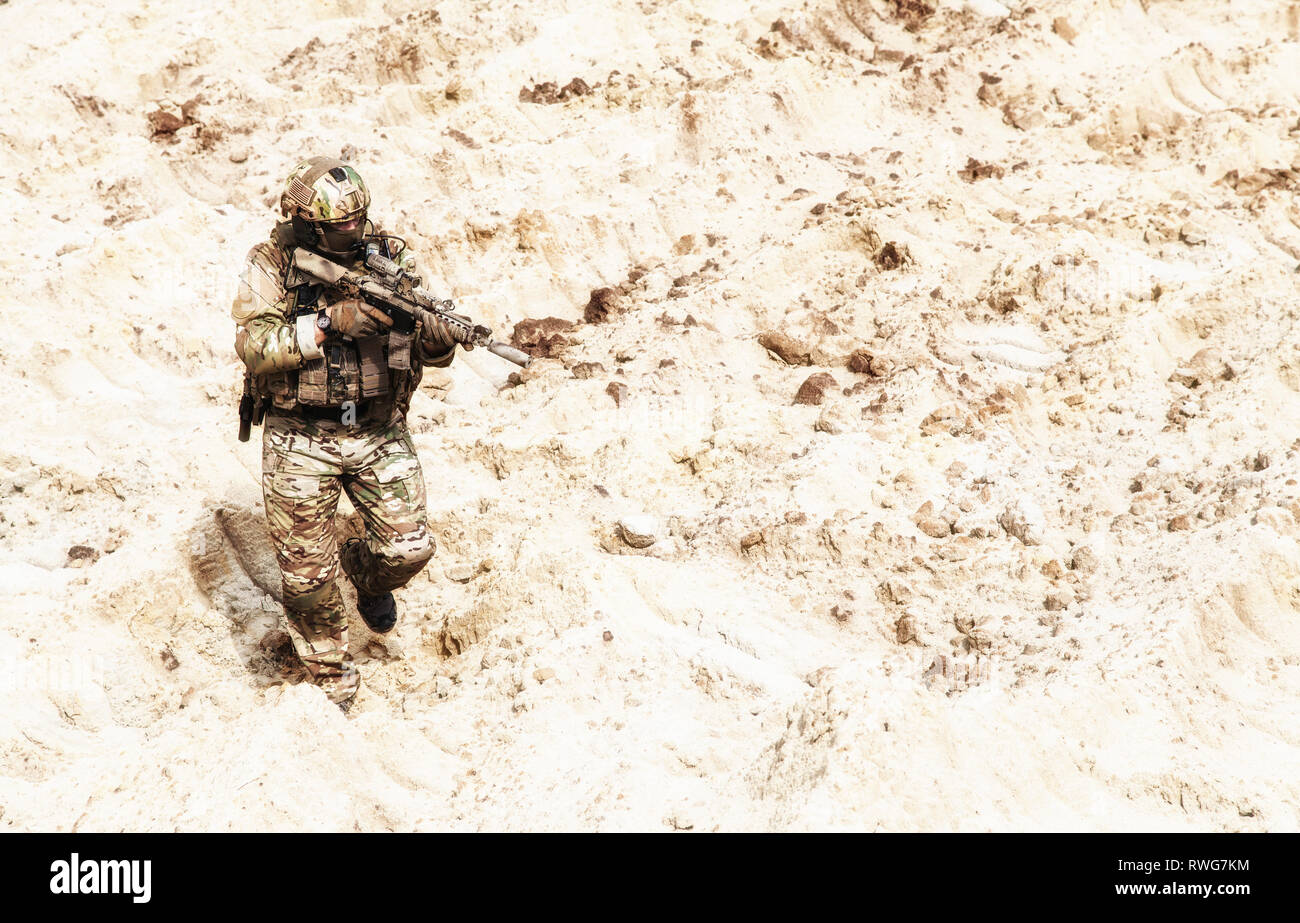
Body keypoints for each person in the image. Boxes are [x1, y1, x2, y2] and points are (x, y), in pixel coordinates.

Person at [231, 155, 470, 706]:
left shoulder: (390, 257)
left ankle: (367, 577)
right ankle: (332, 680)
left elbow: (432, 350)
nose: (353, 232)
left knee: (409, 549)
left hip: (377, 430)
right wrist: (326, 323)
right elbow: (254, 346)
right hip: (301, 437)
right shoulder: (272, 262)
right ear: (308, 222)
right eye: (339, 225)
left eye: (357, 221)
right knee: (308, 583)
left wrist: (438, 338)